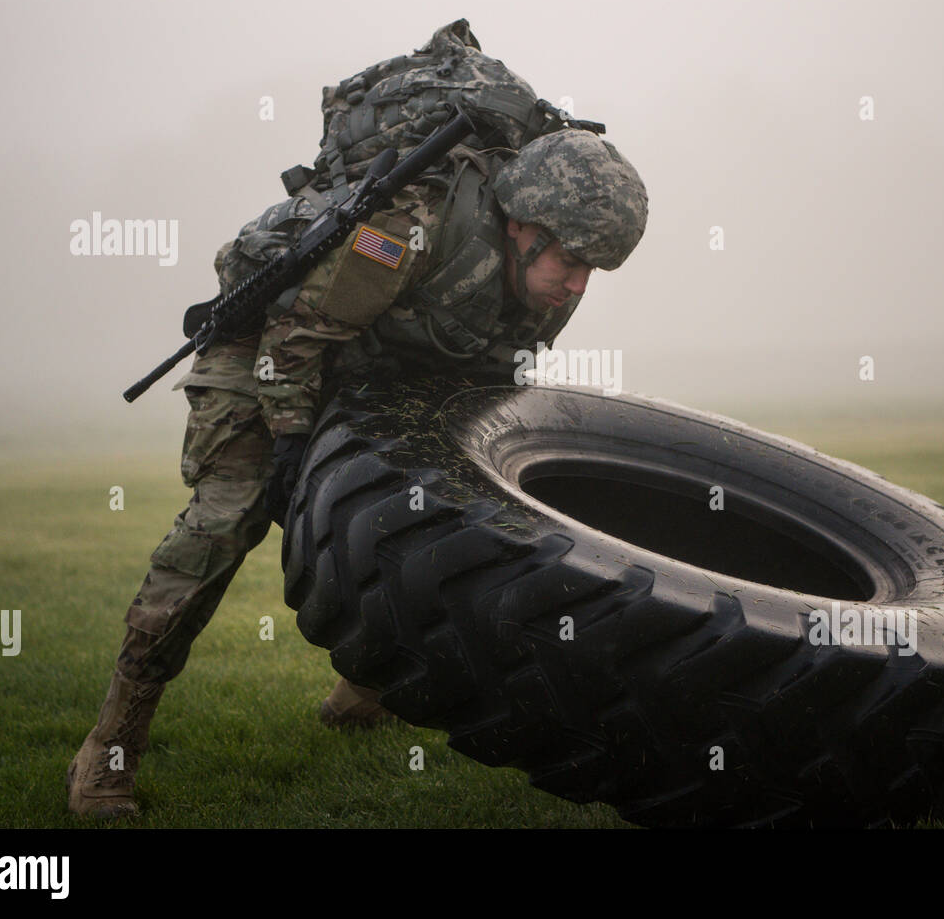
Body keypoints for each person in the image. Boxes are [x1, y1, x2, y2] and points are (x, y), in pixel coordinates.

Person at [66, 124, 649, 819]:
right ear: (523, 224)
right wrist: (288, 446)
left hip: (375, 368)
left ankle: (364, 690)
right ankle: (111, 745)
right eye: (573, 259)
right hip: (267, 354)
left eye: (596, 268)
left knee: (427, 515)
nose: (580, 282)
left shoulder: (551, 283)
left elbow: (485, 373)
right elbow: (296, 335)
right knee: (226, 520)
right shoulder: (408, 231)